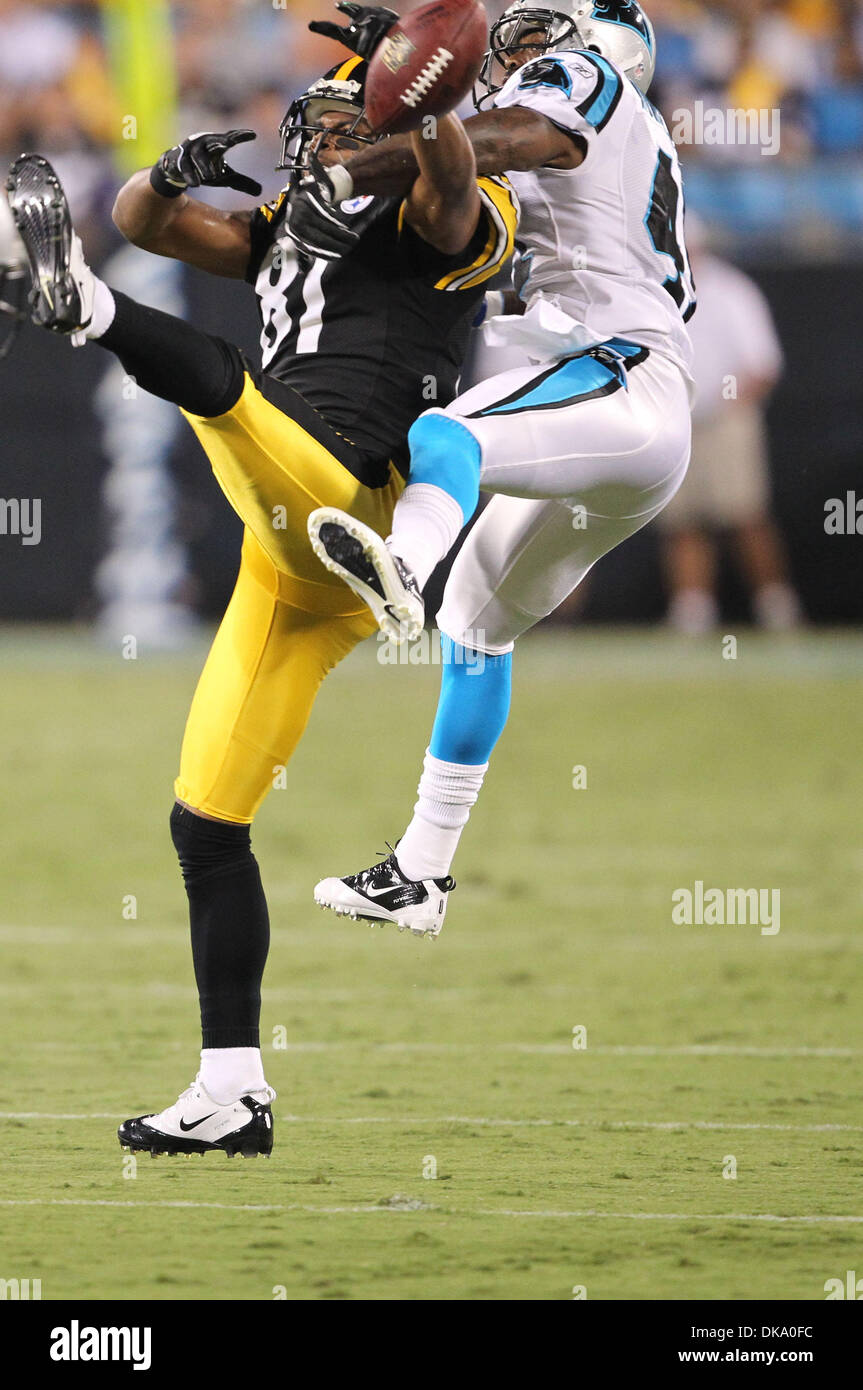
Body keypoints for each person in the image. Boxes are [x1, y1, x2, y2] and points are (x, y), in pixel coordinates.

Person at [6, 13, 517, 1155]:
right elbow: (150, 222)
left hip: (358, 504)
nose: (317, 141)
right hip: (286, 555)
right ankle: (232, 1089)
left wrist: (419, 91)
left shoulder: (420, 214)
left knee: (229, 390)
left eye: (342, 120)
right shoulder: (283, 228)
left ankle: (80, 308)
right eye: (314, 123)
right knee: (204, 824)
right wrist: (158, 173)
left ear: (377, 125)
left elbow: (450, 185)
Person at [291, 0, 697, 939]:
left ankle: (401, 560)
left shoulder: (587, 81)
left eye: (535, 28)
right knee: (474, 622)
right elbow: (465, 157)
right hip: (622, 413)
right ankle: (418, 876)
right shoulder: (617, 126)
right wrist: (406, 90)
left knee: (447, 439)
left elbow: (517, 137)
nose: (512, 44)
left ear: (597, 41)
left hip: (621, 372)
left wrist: (355, 160)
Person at [657, 218, 799, 634]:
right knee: (683, 521)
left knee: (744, 514)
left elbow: (762, 365)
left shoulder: (733, 291)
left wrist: (724, 405)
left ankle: (776, 606)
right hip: (675, 422)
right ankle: (692, 612)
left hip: (726, 422)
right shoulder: (657, 294)